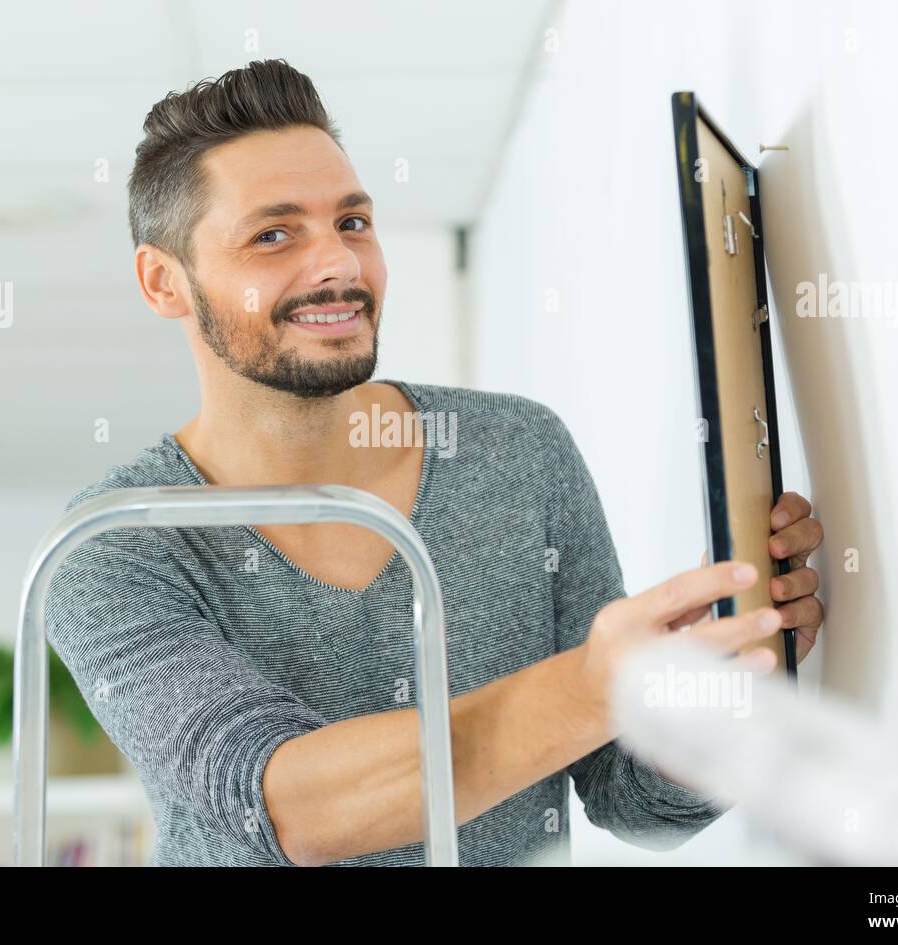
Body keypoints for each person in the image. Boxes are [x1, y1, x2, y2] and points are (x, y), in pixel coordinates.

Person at [45, 59, 825, 867]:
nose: (339, 265)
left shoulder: (517, 453)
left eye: (352, 223)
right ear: (163, 282)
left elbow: (632, 804)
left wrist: (704, 680)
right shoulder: (112, 546)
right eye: (273, 235)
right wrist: (597, 683)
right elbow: (288, 806)